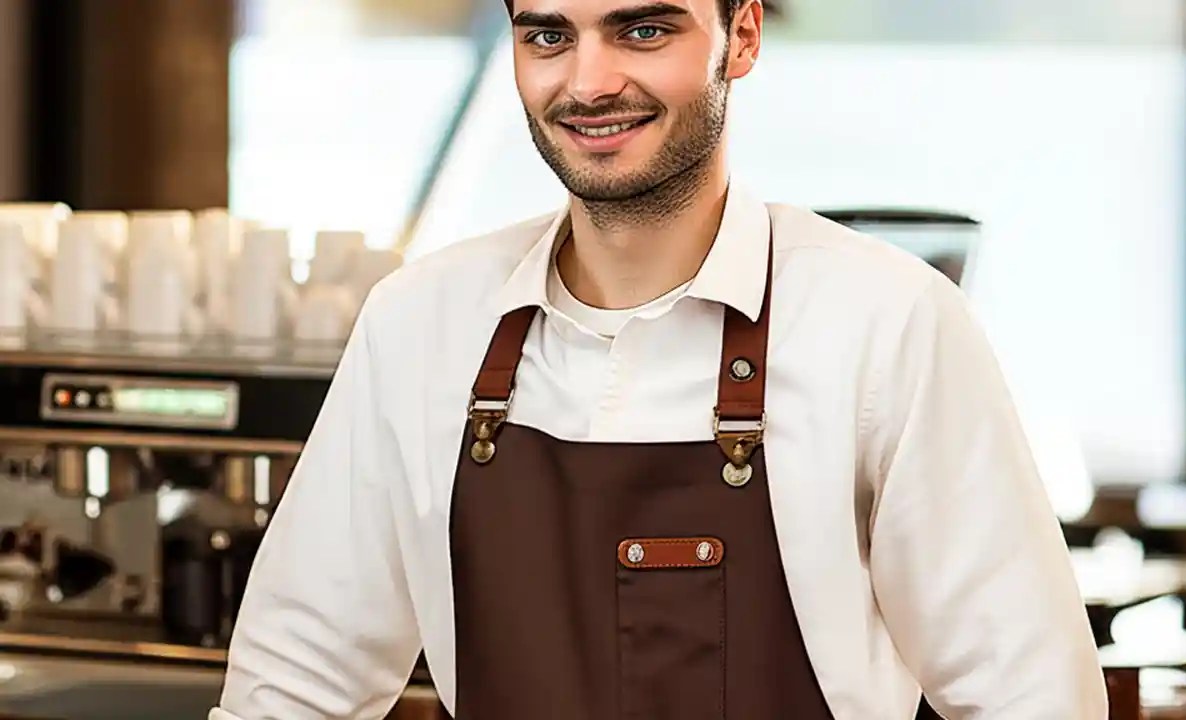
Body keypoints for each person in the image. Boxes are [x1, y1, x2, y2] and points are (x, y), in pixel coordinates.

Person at [211, 0, 1107, 717]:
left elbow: (1029, 697)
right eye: (549, 36)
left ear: (741, 36)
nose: (589, 82)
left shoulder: (889, 323)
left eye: (643, 29)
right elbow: (293, 687)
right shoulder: (418, 325)